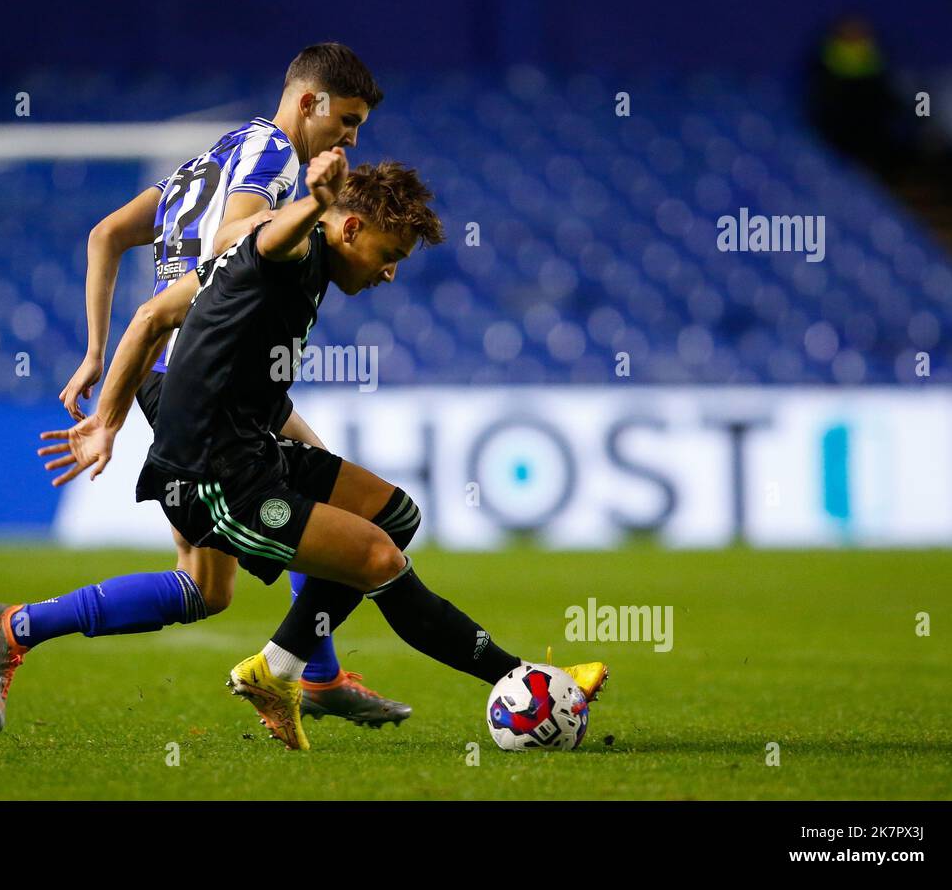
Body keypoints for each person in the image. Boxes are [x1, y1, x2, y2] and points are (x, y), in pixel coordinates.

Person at [39, 150, 608, 750]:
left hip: (253, 450)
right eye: (389, 256)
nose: (389, 273)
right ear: (351, 228)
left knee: (394, 515)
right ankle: (518, 677)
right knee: (377, 561)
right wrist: (108, 419)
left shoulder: (302, 267)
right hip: (213, 478)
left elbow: (211, 342)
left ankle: (280, 669)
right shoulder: (294, 248)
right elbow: (157, 311)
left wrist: (308, 449)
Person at [0, 44, 407, 732]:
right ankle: (314, 676)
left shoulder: (209, 160)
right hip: (213, 377)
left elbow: (106, 234)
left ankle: (18, 626)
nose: (352, 139)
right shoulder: (273, 158)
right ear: (308, 103)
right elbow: (231, 239)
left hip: (176, 377)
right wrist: (308, 212)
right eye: (347, 121)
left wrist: (96, 352)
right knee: (323, 496)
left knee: (206, 587)